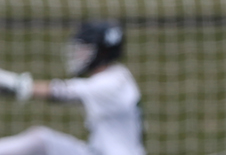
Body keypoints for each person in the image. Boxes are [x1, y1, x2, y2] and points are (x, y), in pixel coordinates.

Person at [0, 20, 145, 155]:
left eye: (84, 49)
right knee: (42, 140)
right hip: (97, 151)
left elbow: (60, 91)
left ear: (102, 52)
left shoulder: (110, 85)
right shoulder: (118, 75)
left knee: (41, 141)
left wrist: (15, 84)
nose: (78, 54)